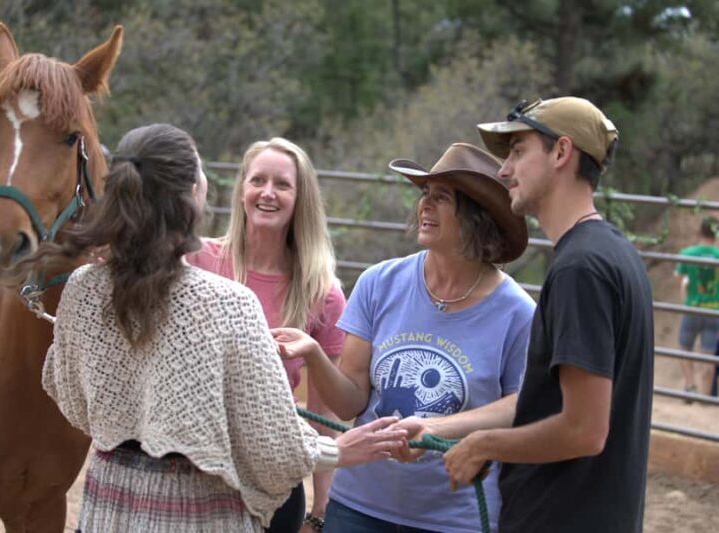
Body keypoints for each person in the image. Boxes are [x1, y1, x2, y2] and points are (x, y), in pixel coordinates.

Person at [38, 124, 408, 532]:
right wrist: (342, 450)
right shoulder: (229, 304)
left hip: (109, 500)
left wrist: (130, 426)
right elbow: (273, 450)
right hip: (197, 509)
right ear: (194, 194)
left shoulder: (82, 289)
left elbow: (67, 393)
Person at [273, 142, 535, 532]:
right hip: (358, 506)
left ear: (477, 216)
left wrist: (434, 429)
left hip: (453, 517)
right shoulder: (380, 283)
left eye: (442, 197)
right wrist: (313, 354)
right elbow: (350, 402)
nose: (425, 206)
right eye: (425, 195)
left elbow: (521, 405)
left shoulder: (517, 311)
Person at [432, 97, 654, 532]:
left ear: (560, 152)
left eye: (517, 152)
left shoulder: (581, 268)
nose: (504, 170)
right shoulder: (612, 254)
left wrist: (484, 444)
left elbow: (585, 430)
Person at [188, 137, 345, 533]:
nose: (268, 193)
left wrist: (321, 509)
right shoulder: (195, 260)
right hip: (191, 474)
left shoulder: (321, 292)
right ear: (242, 190)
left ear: (300, 198)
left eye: (282, 184)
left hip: (273, 481)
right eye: (258, 180)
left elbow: (324, 413)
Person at [674, 217, 719, 396]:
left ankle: (689, 387)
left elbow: (680, 279)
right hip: (714, 311)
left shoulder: (687, 253)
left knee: (685, 348)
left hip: (692, 308)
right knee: (708, 355)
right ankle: (705, 396)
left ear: (699, 232)